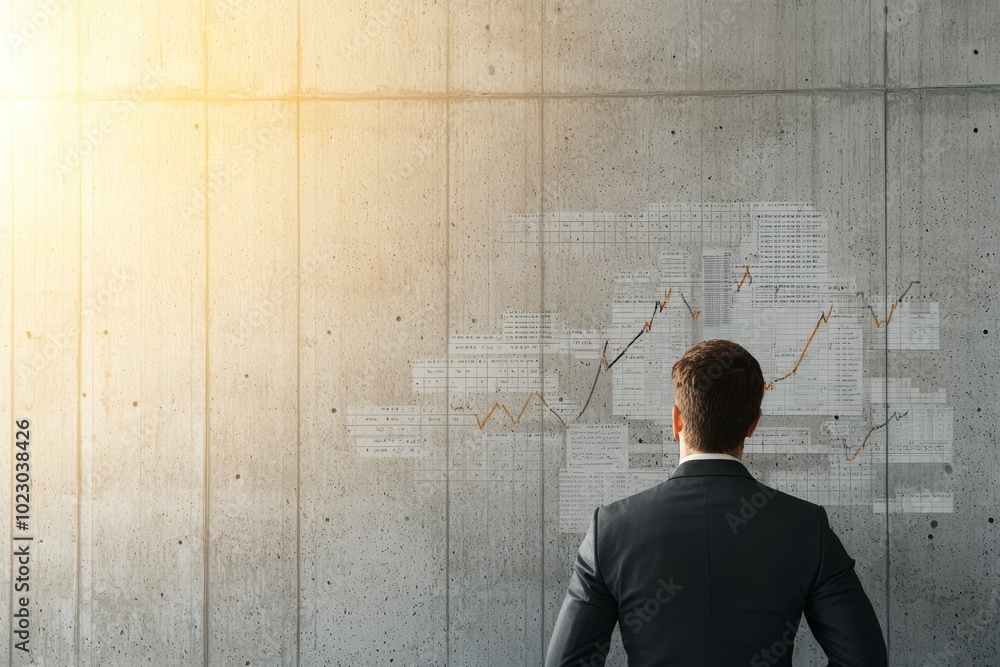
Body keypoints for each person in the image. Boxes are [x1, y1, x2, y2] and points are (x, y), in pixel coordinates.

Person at [546, 339, 888, 666]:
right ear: (753, 423)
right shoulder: (806, 527)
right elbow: (864, 659)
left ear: (676, 420)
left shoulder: (610, 528)